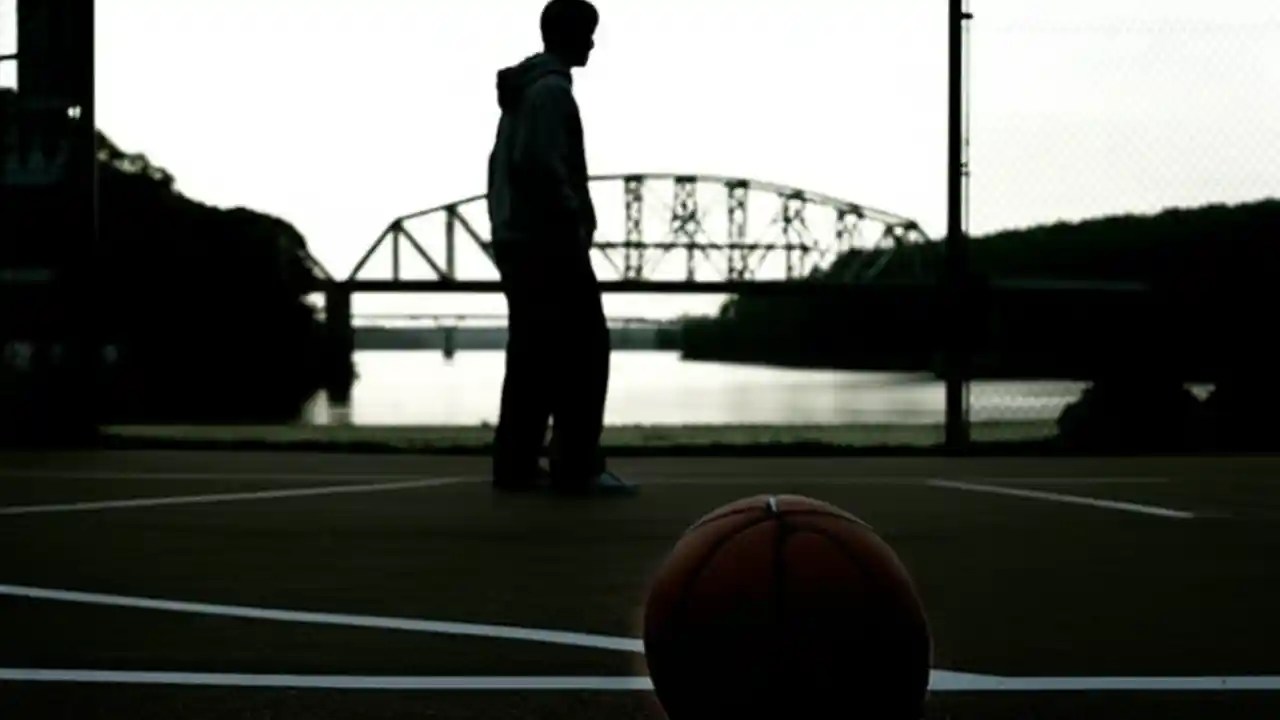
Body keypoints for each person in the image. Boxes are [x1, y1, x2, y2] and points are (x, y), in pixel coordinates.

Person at [485, 0, 636, 496]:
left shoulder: (527, 92)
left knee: (532, 356)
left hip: (519, 239)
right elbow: (541, 165)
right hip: (547, 242)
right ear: (569, 35)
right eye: (588, 33)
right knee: (585, 352)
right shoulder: (551, 94)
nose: (593, 43)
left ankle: (516, 465)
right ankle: (576, 467)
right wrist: (573, 218)